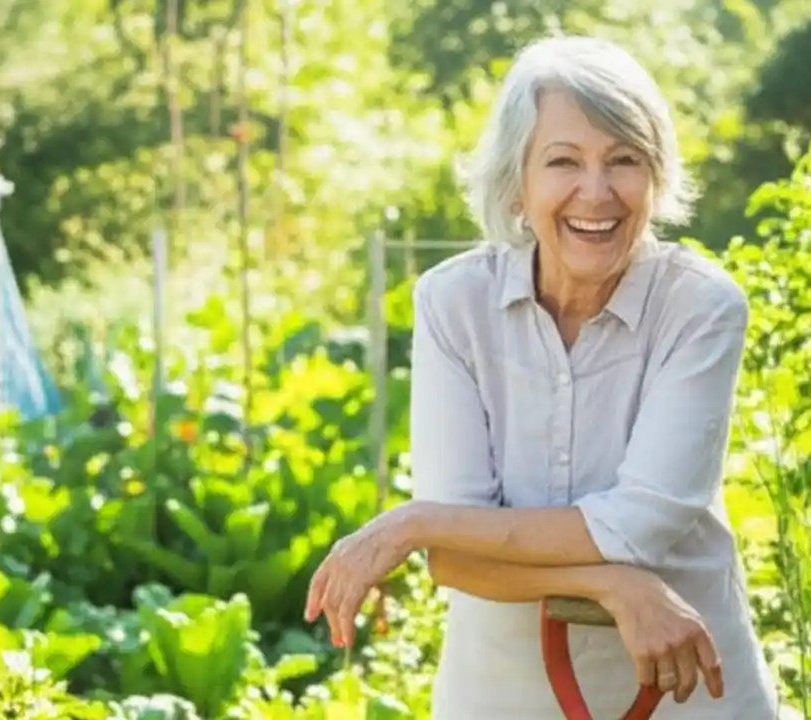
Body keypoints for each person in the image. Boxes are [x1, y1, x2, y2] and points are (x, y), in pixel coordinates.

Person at [305, 35, 780, 719]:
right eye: (564, 161)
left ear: (655, 177)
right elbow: (455, 557)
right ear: (517, 182)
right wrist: (619, 588)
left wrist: (414, 522)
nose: (598, 191)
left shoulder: (701, 308)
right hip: (501, 695)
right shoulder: (453, 304)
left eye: (625, 160)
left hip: (688, 692)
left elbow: (636, 527)